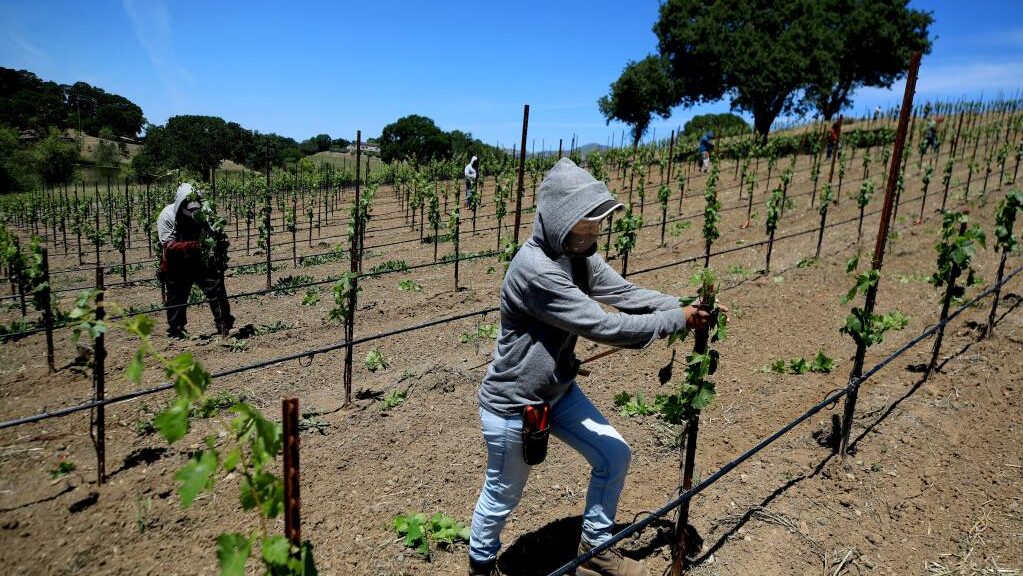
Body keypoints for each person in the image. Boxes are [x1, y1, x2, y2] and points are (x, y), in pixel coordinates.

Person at [468, 158, 713, 576]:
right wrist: (677, 320)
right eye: (583, 227)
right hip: (515, 405)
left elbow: (624, 293)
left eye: (595, 227)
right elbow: (604, 325)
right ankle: (481, 565)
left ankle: (596, 547)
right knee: (504, 493)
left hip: (558, 392)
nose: (590, 236)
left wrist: (683, 305)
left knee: (614, 454)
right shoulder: (536, 271)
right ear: (559, 220)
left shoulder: (578, 256)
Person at [157, 182, 234, 339]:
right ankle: (176, 330)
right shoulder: (167, 215)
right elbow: (169, 246)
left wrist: (220, 244)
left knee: (216, 289)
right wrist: (196, 245)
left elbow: (215, 234)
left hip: (201, 260)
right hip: (176, 262)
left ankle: (223, 324)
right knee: (176, 297)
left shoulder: (205, 212)